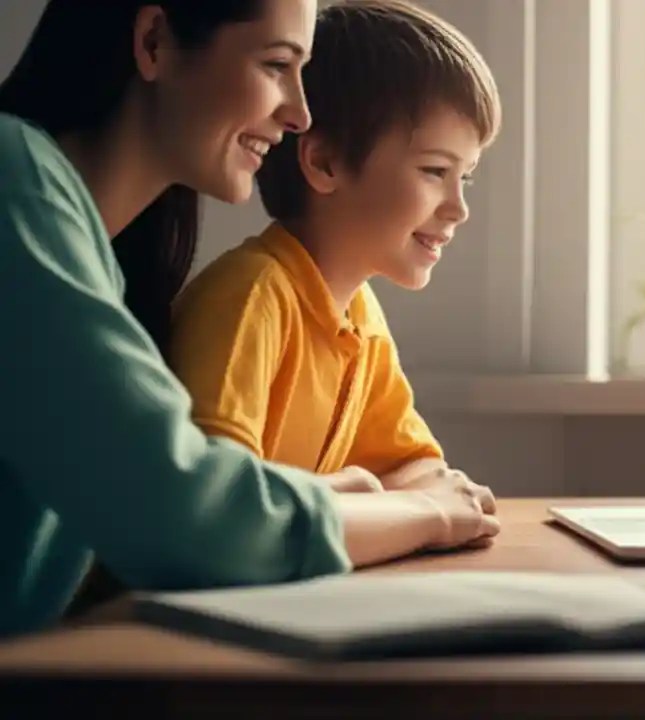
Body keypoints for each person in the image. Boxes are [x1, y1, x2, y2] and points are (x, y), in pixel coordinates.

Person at [0, 0, 497, 639]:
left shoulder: (98, 249)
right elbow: (185, 518)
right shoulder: (16, 187)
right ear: (154, 41)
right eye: (276, 65)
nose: (301, 114)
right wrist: (426, 513)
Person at [167, 0, 500, 519]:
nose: (459, 208)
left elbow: (412, 465)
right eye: (435, 171)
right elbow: (218, 509)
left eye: (467, 177)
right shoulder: (252, 297)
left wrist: (419, 494)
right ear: (324, 162)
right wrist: (400, 505)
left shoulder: (359, 315)